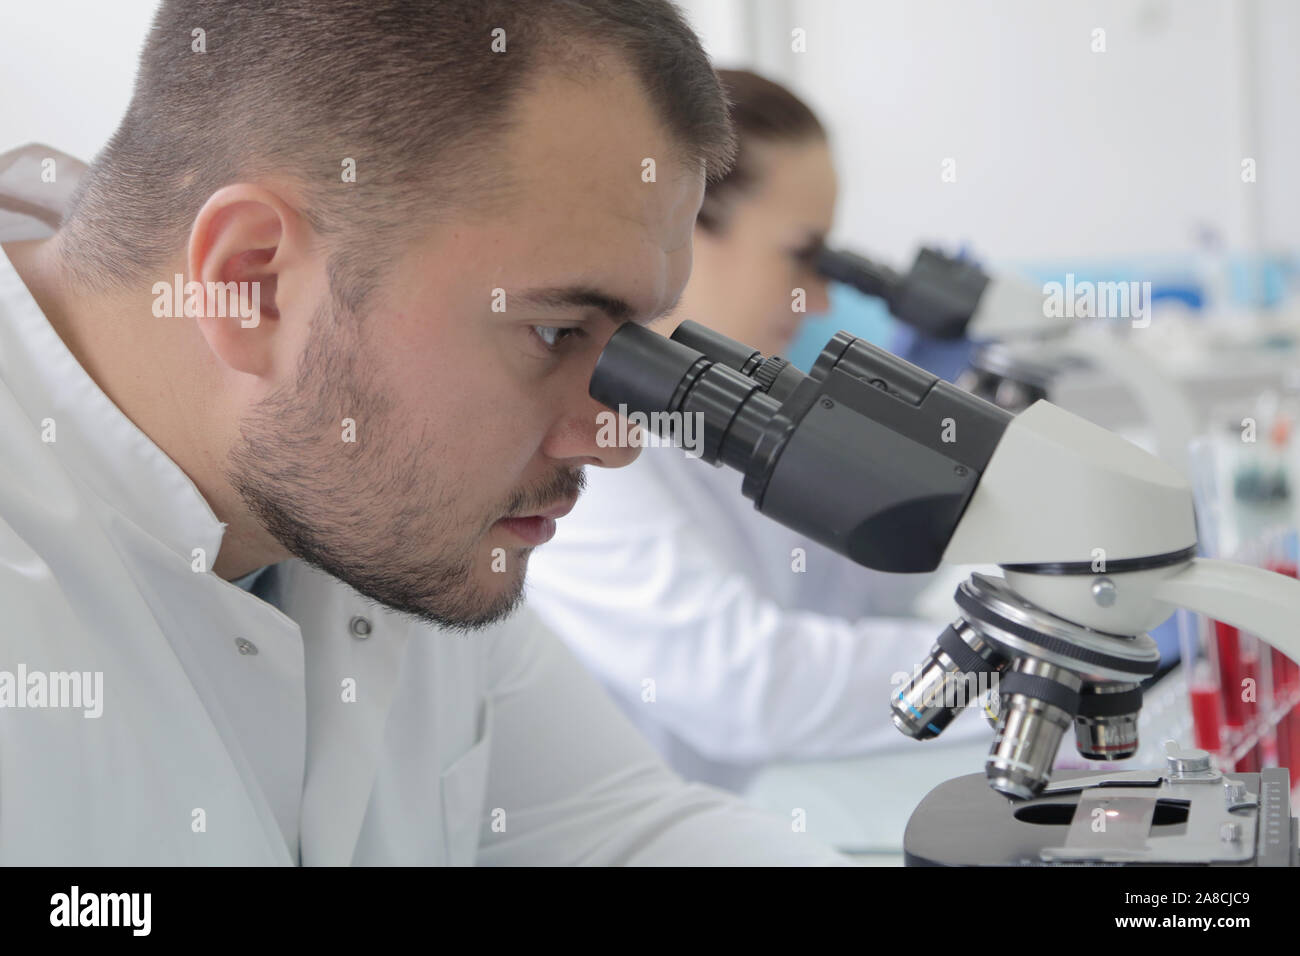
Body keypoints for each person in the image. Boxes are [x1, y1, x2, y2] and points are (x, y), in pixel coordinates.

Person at [0, 1, 852, 865]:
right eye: (557, 332)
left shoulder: (376, 507)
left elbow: (617, 831)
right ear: (250, 284)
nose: (616, 439)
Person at [525, 70, 986, 794]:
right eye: (804, 255)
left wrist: (928, 452)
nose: (826, 296)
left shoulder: (714, 415)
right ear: (684, 219)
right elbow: (747, 683)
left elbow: (847, 599)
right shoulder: (578, 436)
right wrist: (1026, 666)